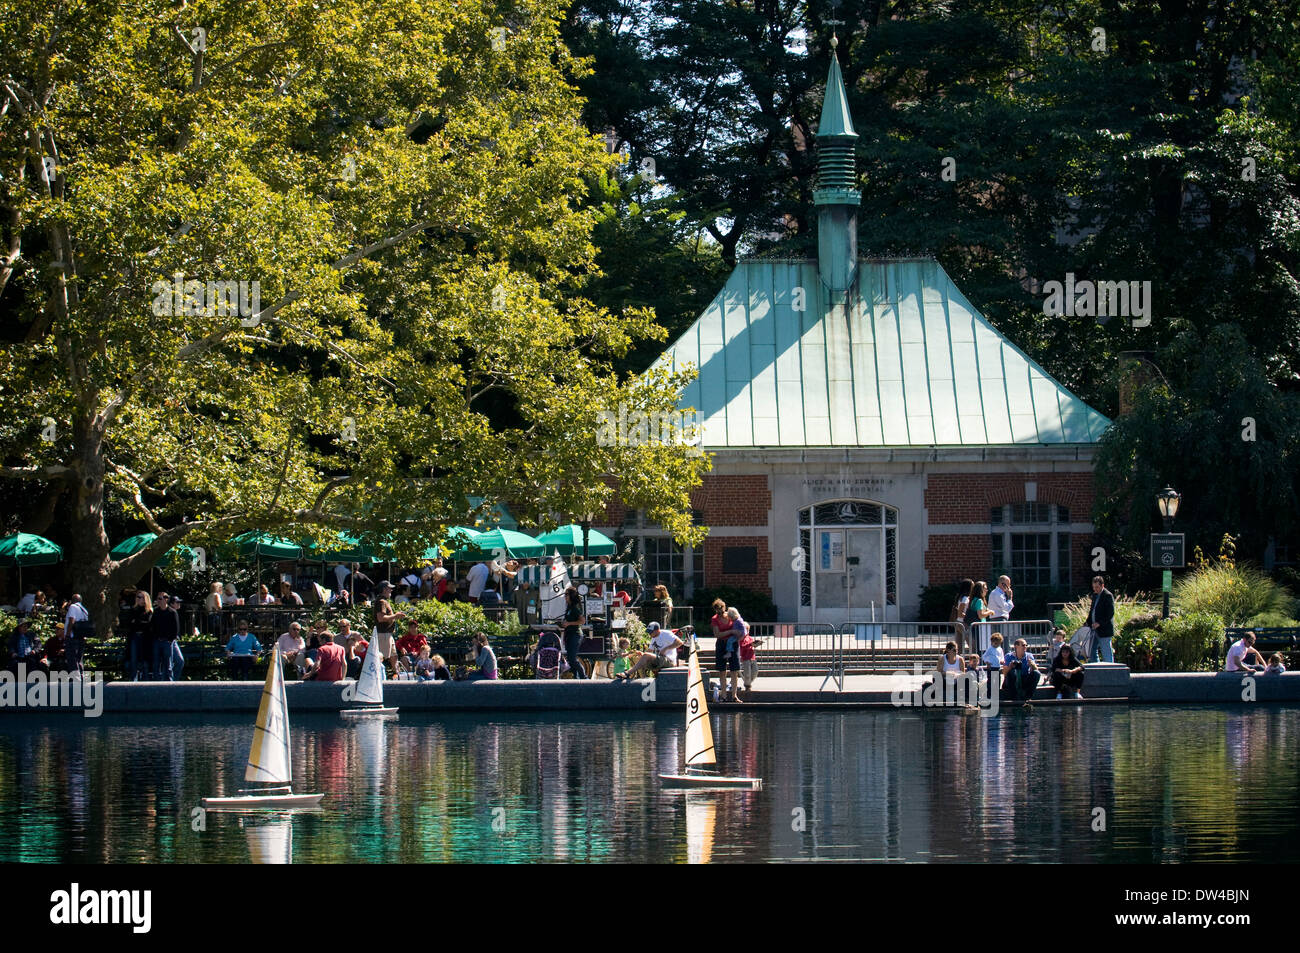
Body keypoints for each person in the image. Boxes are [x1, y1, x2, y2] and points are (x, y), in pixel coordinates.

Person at [618, 622, 684, 681]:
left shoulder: (666, 634)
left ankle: (627, 673)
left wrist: (666, 648)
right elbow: (649, 651)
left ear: (657, 630)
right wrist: (642, 654)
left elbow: (680, 642)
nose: (649, 634)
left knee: (646, 656)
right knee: (639, 658)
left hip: (669, 661)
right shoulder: (653, 638)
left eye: (651, 632)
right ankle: (643, 680)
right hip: (660, 660)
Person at [372, 581, 405, 677]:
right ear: (384, 589)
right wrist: (395, 616)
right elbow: (381, 618)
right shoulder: (381, 602)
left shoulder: (384, 601)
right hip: (383, 634)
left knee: (394, 656)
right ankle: (378, 677)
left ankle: (397, 675)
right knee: (381, 657)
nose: (391, 590)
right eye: (389, 588)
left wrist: (395, 616)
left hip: (388, 634)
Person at [151, 590, 181, 680]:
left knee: (168, 664)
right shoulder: (155, 612)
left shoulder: (172, 612)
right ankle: (155, 683)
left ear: (166, 599)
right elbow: (152, 626)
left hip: (167, 641)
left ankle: (169, 683)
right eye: (158, 599)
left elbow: (176, 628)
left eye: (161, 598)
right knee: (156, 663)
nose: (159, 601)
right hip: (157, 640)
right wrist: (155, 637)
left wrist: (170, 639)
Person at [1001, 638, 1040, 705]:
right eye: (1023, 645)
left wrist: (1032, 665)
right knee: (1011, 673)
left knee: (1037, 673)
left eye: (1026, 645)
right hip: (1013, 680)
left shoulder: (1029, 656)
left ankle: (1028, 697)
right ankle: (1014, 697)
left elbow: (1036, 670)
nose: (1025, 647)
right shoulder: (1009, 656)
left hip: (1024, 678)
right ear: (1016, 646)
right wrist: (1010, 666)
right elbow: (1005, 673)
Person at [720, 607, 747, 701]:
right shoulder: (739, 620)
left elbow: (743, 630)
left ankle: (728, 652)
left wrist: (740, 637)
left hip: (737, 637)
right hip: (738, 637)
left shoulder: (737, 621)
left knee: (729, 641)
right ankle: (727, 696)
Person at [1086, 575, 1115, 662]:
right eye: (1094, 587)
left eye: (1097, 587)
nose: (1095, 589)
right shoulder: (1095, 595)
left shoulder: (1108, 595)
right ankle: (1096, 668)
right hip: (1094, 629)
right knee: (1091, 650)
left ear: (1102, 585)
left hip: (1104, 629)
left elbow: (1110, 613)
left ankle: (1110, 671)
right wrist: (1087, 622)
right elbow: (1092, 611)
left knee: (1106, 652)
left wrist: (1099, 623)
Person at [126, 590, 154, 681]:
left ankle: (145, 680)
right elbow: (129, 624)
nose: (138, 599)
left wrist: (137, 622)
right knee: (133, 659)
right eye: (137, 597)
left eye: (141, 597)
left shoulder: (149, 611)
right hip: (134, 637)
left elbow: (148, 625)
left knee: (144, 660)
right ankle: (133, 679)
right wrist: (138, 623)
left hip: (145, 638)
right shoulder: (133, 610)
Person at [560, 586, 587, 679]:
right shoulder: (569, 607)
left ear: (571, 595)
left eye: (566, 594)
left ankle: (584, 677)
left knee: (572, 658)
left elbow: (582, 621)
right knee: (570, 658)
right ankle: (575, 677)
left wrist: (569, 623)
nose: (565, 596)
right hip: (569, 634)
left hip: (575, 634)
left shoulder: (575, 608)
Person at [63, 592, 90, 674]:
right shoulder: (84, 610)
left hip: (72, 637)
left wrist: (67, 634)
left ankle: (76, 680)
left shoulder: (73, 607)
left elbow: (72, 620)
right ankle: (81, 676)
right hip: (81, 637)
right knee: (79, 658)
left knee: (72, 659)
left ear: (72, 600)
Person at [964, 581, 993, 649]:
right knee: (982, 648)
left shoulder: (973, 600)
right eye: (985, 589)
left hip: (975, 627)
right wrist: (990, 612)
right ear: (980, 590)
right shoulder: (979, 601)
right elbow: (980, 615)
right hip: (980, 627)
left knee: (978, 647)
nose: (986, 590)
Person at [951, 578, 974, 651]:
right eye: (972, 586)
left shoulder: (960, 597)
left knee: (959, 646)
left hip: (958, 622)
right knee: (972, 644)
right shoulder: (965, 599)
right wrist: (970, 617)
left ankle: (959, 661)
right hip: (962, 623)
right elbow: (960, 613)